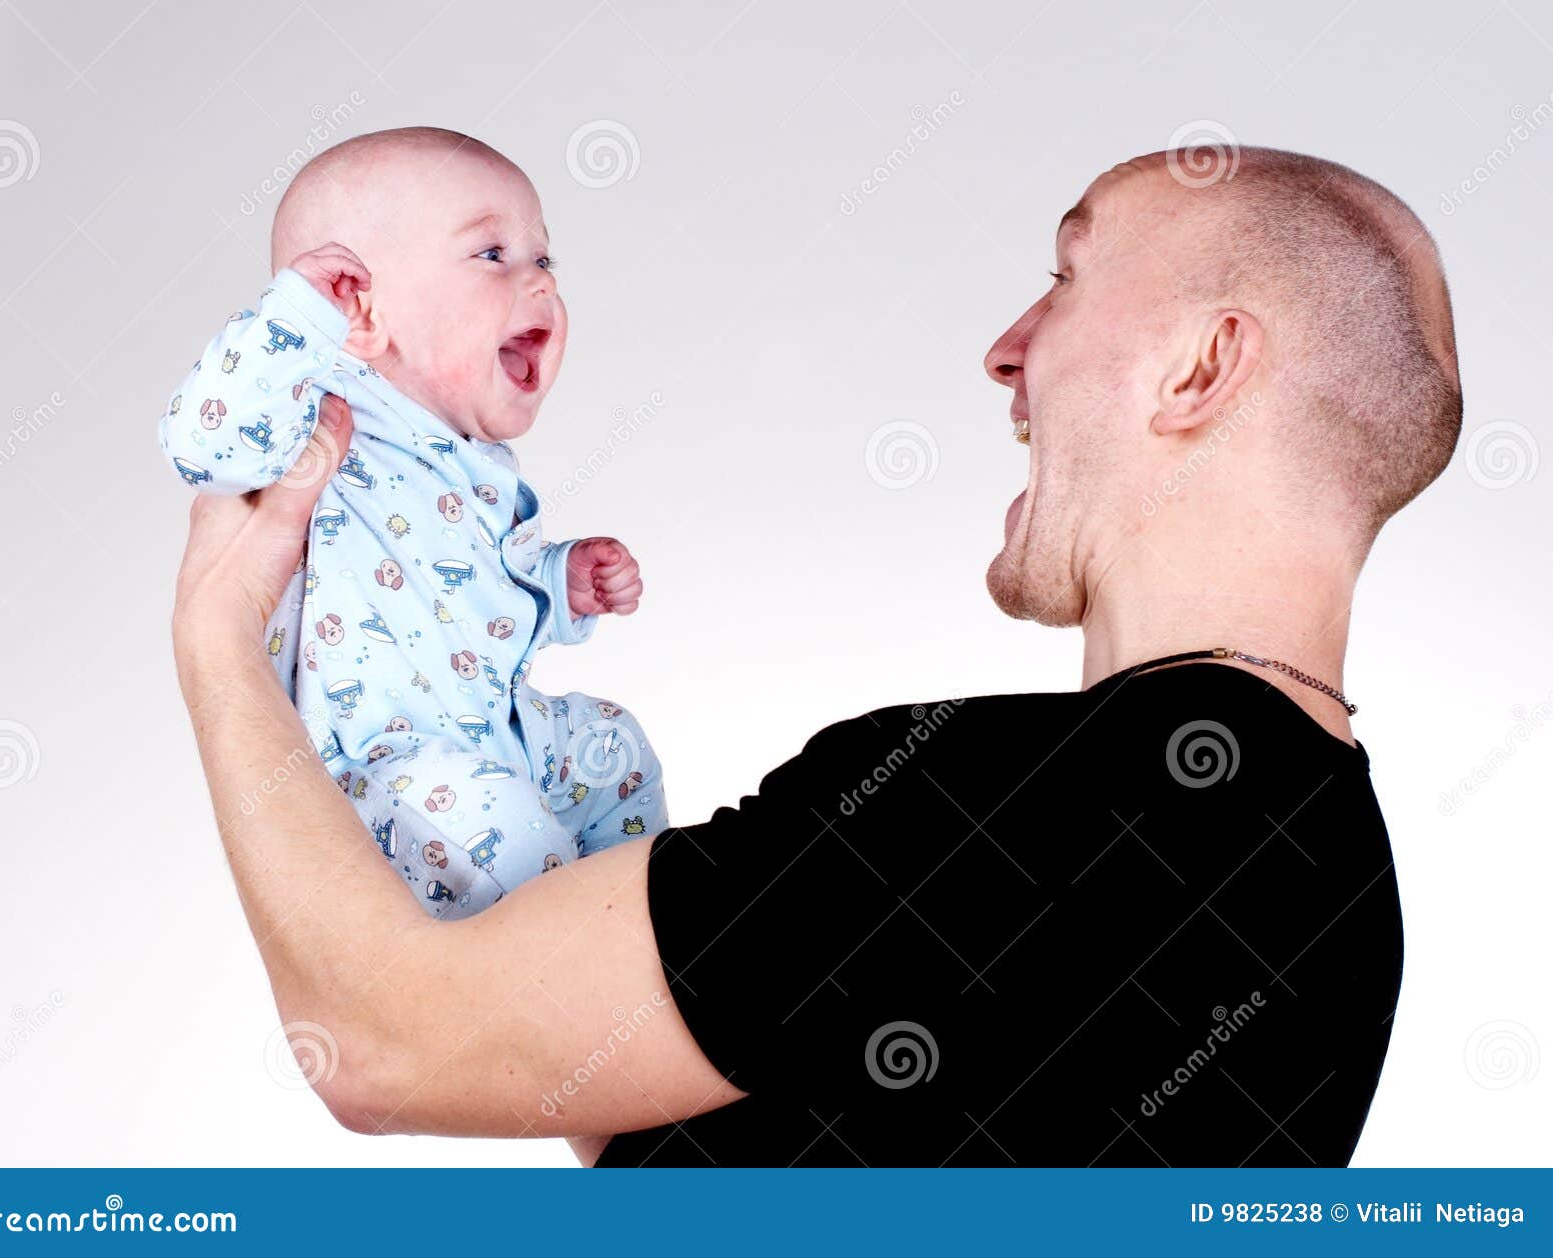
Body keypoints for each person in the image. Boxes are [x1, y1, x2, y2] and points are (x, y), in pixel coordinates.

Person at [170, 146, 1461, 1166]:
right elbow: (638, 1125)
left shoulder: (997, 801)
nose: (1005, 348)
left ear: (1202, 367)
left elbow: (391, 1044)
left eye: (1066, 279)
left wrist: (221, 637)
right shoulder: (1347, 897)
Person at [159, 128, 663, 920]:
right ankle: (562, 964)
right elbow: (204, 445)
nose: (538, 279)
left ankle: (637, 936)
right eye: (491, 254)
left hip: (502, 734)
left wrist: (558, 583)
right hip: (389, 769)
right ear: (360, 311)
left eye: (543, 258)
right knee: (501, 828)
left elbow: (479, 603)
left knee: (611, 748)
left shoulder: (474, 461)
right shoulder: (329, 417)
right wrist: (299, 317)